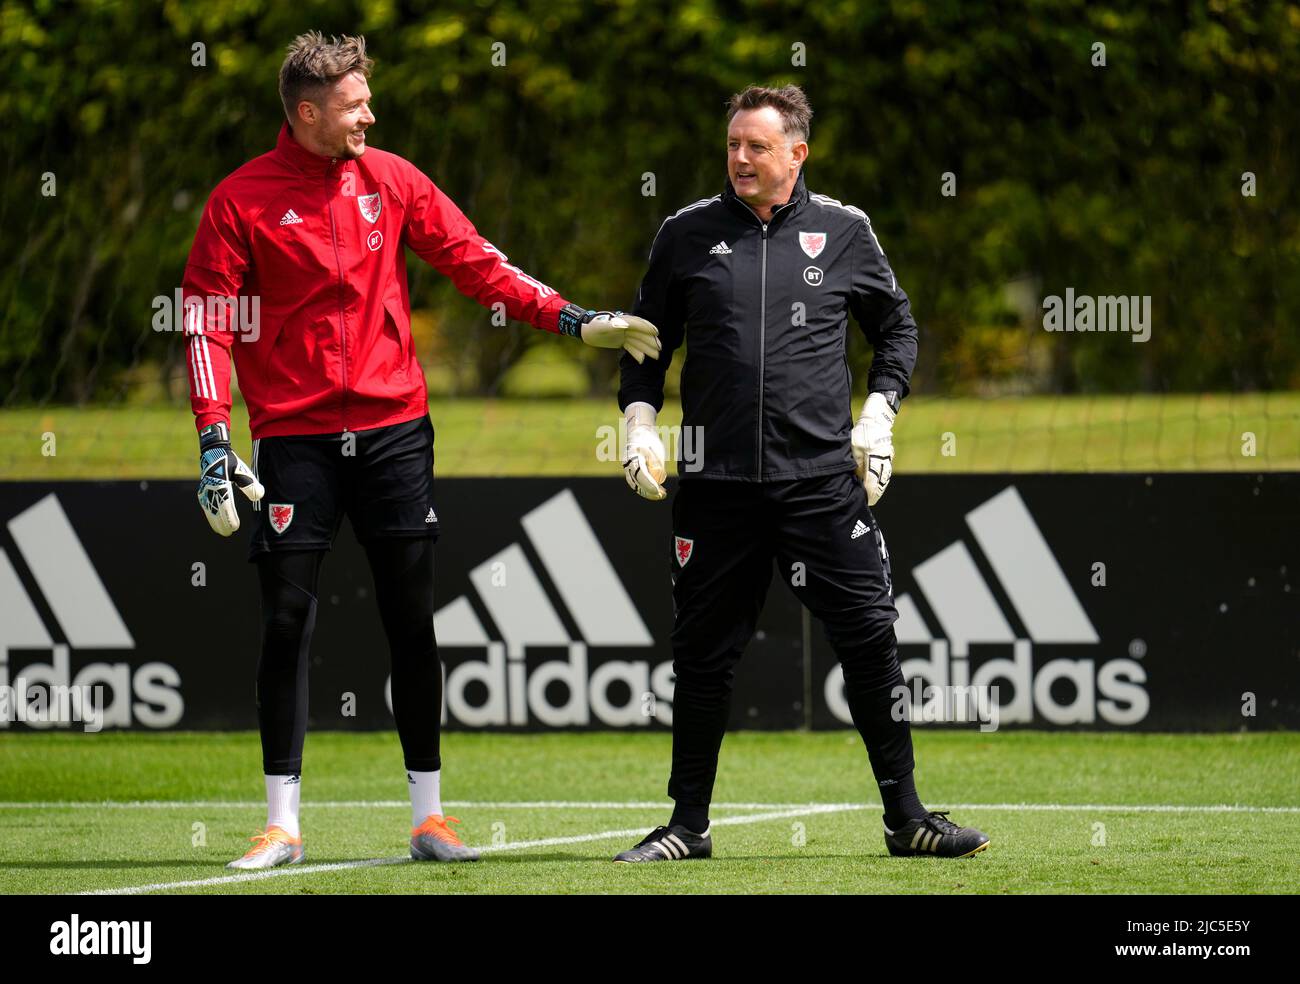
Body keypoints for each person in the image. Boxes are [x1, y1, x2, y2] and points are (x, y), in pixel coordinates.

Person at [183, 32, 658, 870]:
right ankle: (281, 826)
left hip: (396, 430)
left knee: (411, 620)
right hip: (293, 437)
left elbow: (474, 261)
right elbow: (207, 320)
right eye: (354, 103)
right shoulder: (238, 200)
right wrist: (214, 435)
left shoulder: (393, 179)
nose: (370, 112)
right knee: (287, 620)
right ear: (306, 112)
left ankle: (430, 819)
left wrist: (571, 318)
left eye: (367, 98)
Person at [614, 84, 989, 862]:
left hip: (820, 484)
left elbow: (897, 327)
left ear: (797, 153)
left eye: (757, 146)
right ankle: (688, 826)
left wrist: (880, 415)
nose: (741, 159)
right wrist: (638, 424)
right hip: (713, 488)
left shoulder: (845, 230)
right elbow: (646, 346)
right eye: (732, 146)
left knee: (871, 640)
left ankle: (907, 820)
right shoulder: (685, 233)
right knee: (703, 657)